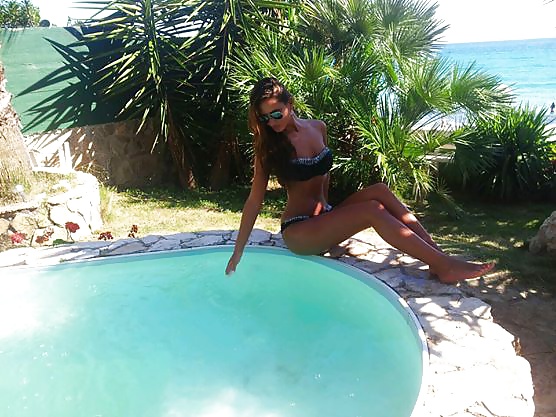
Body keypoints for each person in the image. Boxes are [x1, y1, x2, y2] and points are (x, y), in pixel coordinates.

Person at [225, 77, 494, 283]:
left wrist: (330, 214)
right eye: (265, 118)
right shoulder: (268, 147)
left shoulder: (318, 127)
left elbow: (324, 176)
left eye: (276, 114)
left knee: (379, 190)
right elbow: (254, 201)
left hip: (323, 216)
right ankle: (445, 266)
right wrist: (238, 251)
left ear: (290, 105)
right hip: (300, 231)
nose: (271, 122)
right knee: (371, 210)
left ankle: (437, 258)